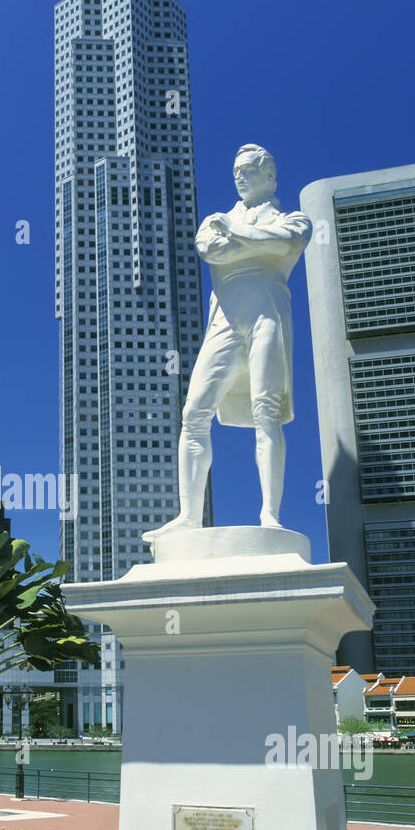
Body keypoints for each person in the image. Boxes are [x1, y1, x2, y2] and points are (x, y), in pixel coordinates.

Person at [145, 144, 312, 539]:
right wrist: (255, 241)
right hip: (224, 320)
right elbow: (209, 250)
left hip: (267, 314)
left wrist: (236, 232)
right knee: (194, 411)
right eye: (235, 171)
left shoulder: (294, 219)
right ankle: (188, 516)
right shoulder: (212, 222)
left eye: (247, 170)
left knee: (265, 411)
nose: (238, 177)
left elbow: (287, 242)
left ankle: (270, 514)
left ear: (269, 175)